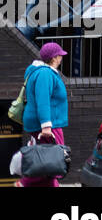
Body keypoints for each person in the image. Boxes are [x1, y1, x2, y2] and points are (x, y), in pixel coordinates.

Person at [18, 42, 69, 187]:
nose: (61, 58)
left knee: (46, 159)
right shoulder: (45, 74)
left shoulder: (39, 71)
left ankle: (50, 184)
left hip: (44, 123)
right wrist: (46, 126)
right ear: (54, 58)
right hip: (48, 124)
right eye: (60, 56)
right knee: (53, 159)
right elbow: (43, 100)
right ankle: (25, 183)